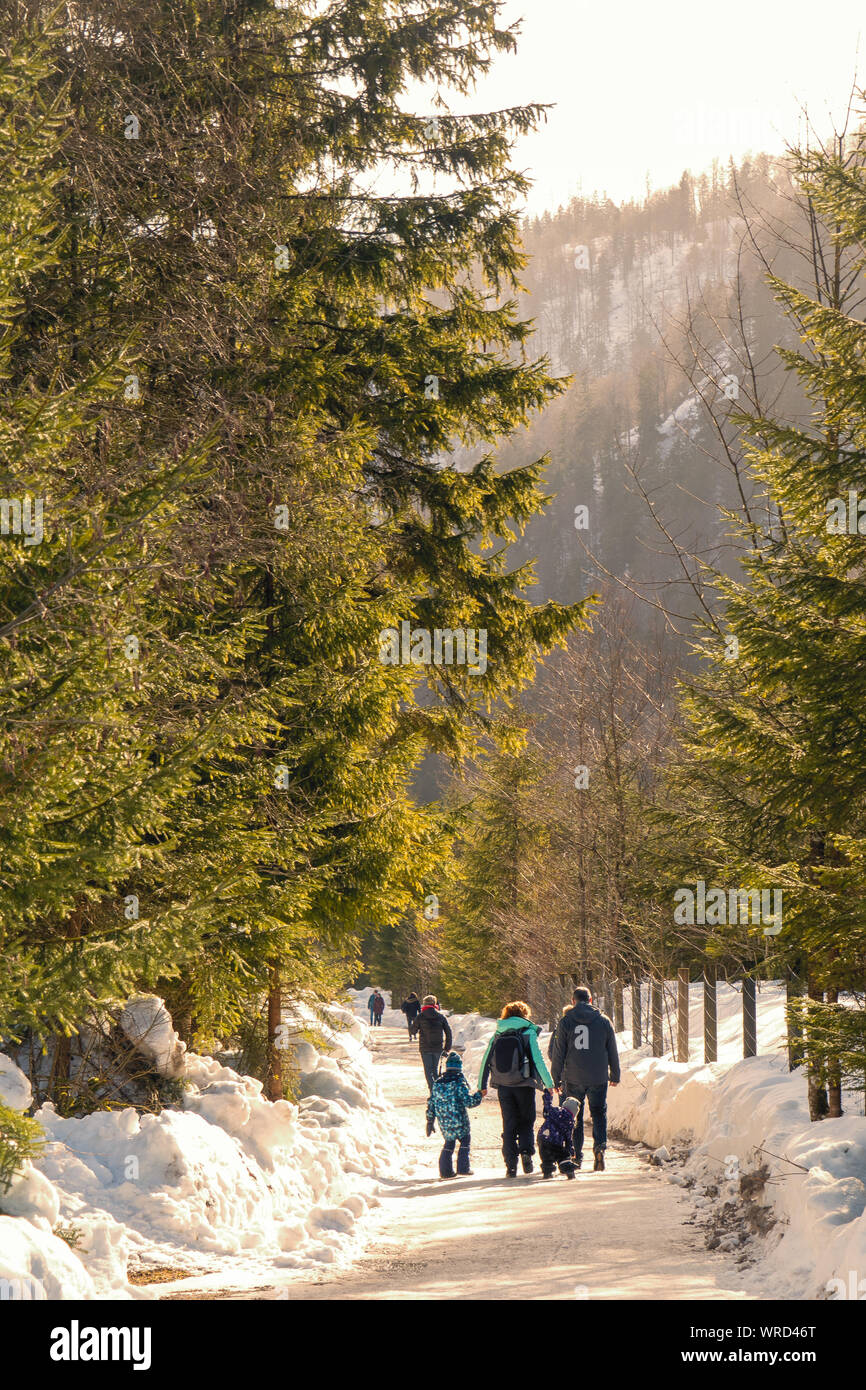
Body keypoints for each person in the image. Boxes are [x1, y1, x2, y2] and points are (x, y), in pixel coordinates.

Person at [477, 1001, 555, 1178]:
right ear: (524, 1015)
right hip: (525, 1084)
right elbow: (538, 1059)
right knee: (527, 1121)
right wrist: (548, 1084)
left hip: (504, 1086)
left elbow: (485, 1061)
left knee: (509, 1123)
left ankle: (510, 1164)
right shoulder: (528, 1032)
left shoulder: (498, 1034)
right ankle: (526, 1153)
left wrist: (482, 1085)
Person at [550, 985, 620, 1172]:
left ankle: (576, 1155)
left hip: (573, 1077)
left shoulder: (566, 1022)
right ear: (590, 1000)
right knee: (598, 1113)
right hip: (598, 1076)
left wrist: (555, 1079)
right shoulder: (604, 1021)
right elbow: (611, 1048)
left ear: (573, 1002)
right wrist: (615, 1074)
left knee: (575, 1117)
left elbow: (558, 1053)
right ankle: (599, 1150)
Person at [426, 1052, 483, 1178]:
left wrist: (430, 1121)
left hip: (444, 1122)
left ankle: (445, 1171)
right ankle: (463, 1168)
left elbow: (431, 1103)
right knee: (465, 1141)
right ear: (459, 1067)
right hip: (460, 1120)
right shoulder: (458, 1082)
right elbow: (469, 1102)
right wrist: (479, 1095)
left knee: (449, 1143)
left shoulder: (437, 1084)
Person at [537, 1091, 580, 1179]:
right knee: (562, 1155)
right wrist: (570, 1151)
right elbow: (568, 1139)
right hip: (555, 1142)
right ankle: (567, 1167)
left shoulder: (555, 1111)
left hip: (542, 1138)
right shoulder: (570, 1122)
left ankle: (547, 1171)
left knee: (546, 1157)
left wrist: (547, 1096)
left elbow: (547, 1106)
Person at [417, 995, 452, 1091]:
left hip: (425, 1048)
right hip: (437, 1048)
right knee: (435, 1070)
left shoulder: (421, 1016)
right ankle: (437, 1090)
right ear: (434, 1004)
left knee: (428, 1071)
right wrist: (447, 1048)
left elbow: (412, 1030)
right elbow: (448, 1032)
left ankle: (432, 1090)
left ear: (424, 1004)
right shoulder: (441, 1016)